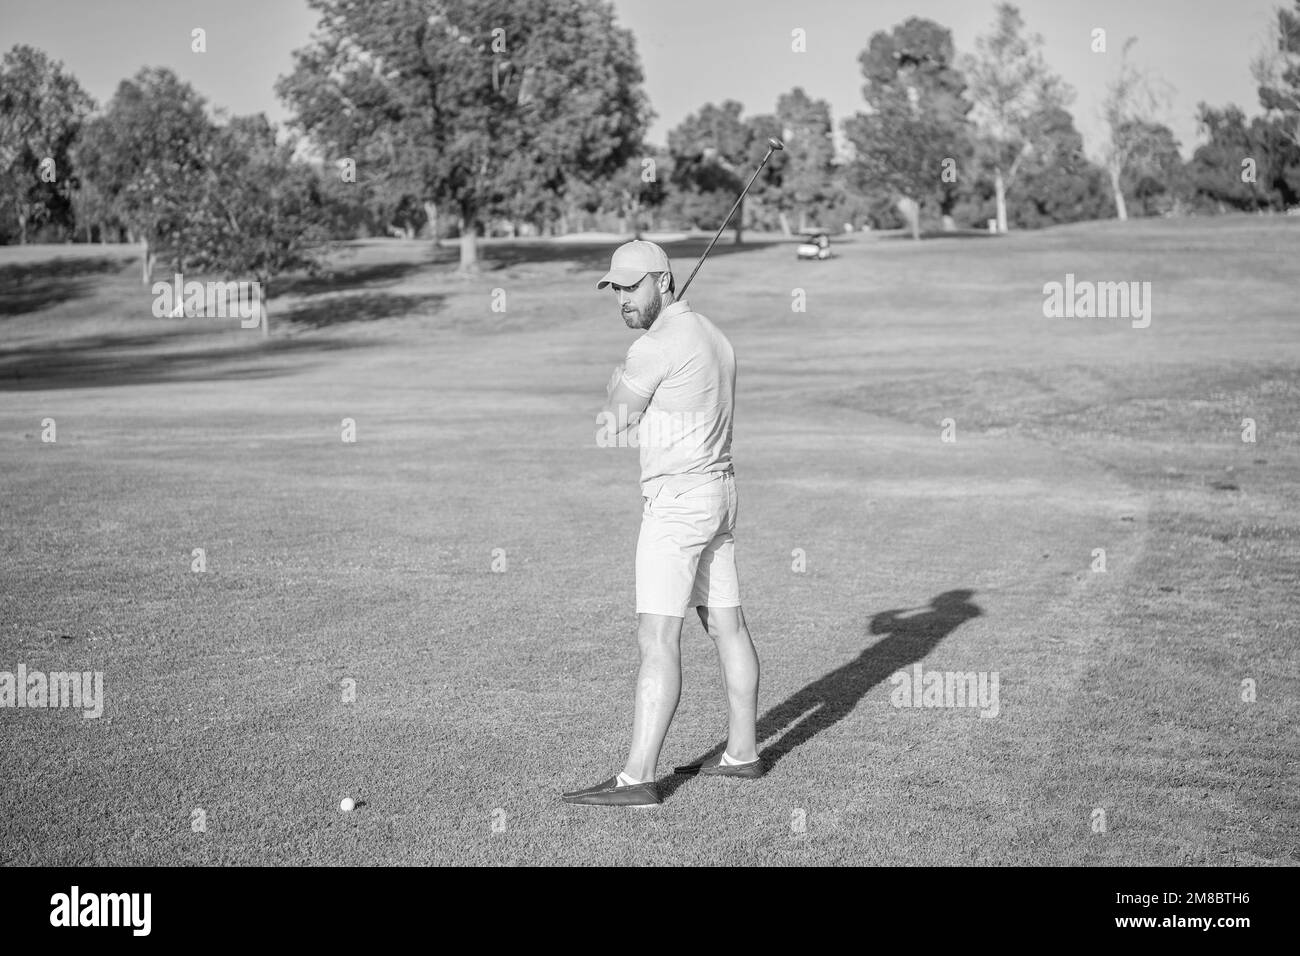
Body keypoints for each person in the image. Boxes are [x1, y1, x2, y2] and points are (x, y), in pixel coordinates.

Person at [562, 240, 762, 808]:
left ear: (664, 282)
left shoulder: (655, 346)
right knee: (727, 625)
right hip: (719, 497)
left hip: (676, 505)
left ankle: (638, 778)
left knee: (657, 636)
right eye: (616, 289)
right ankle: (742, 753)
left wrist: (616, 381)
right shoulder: (715, 337)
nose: (622, 299)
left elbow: (613, 424)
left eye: (632, 286)